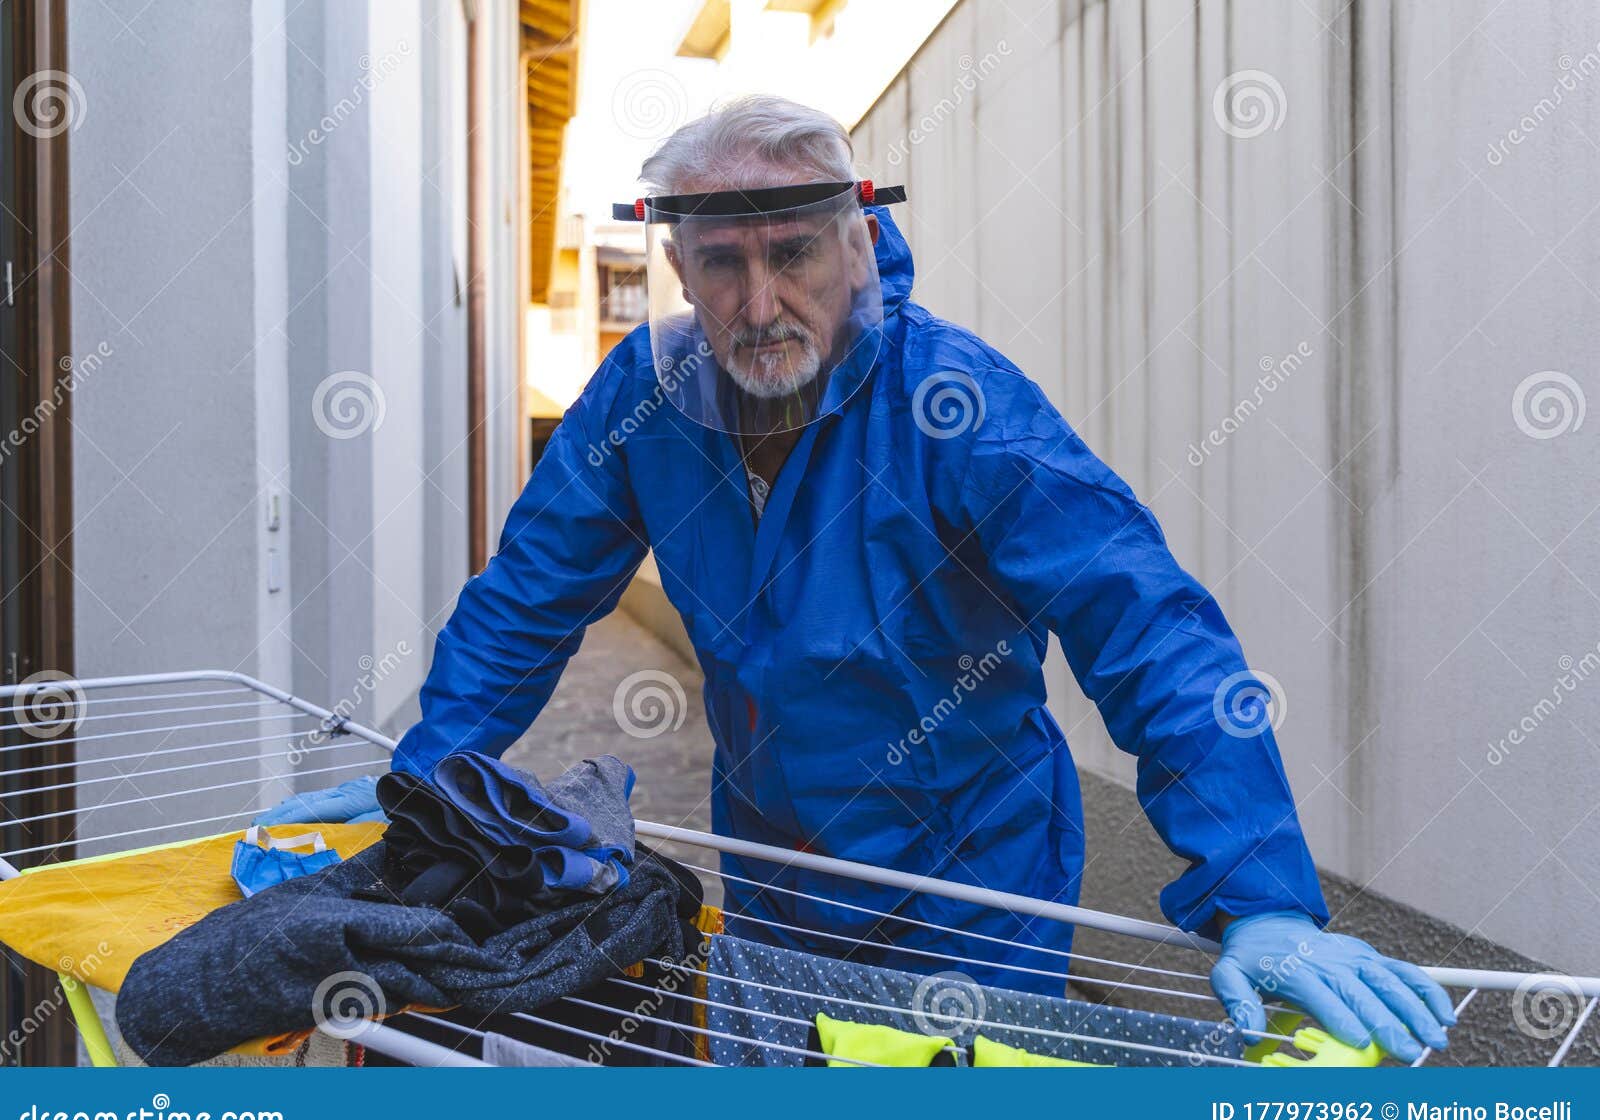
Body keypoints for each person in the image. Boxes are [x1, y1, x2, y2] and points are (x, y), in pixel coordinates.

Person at [260, 96, 1454, 1061]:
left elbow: (1145, 626)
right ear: (677, 264)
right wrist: (428, 773)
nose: (759, 303)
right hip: (776, 867)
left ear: (857, 240)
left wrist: (1261, 895)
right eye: (721, 264)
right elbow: (529, 593)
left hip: (972, 887)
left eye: (791, 254)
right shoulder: (647, 395)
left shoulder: (956, 406)